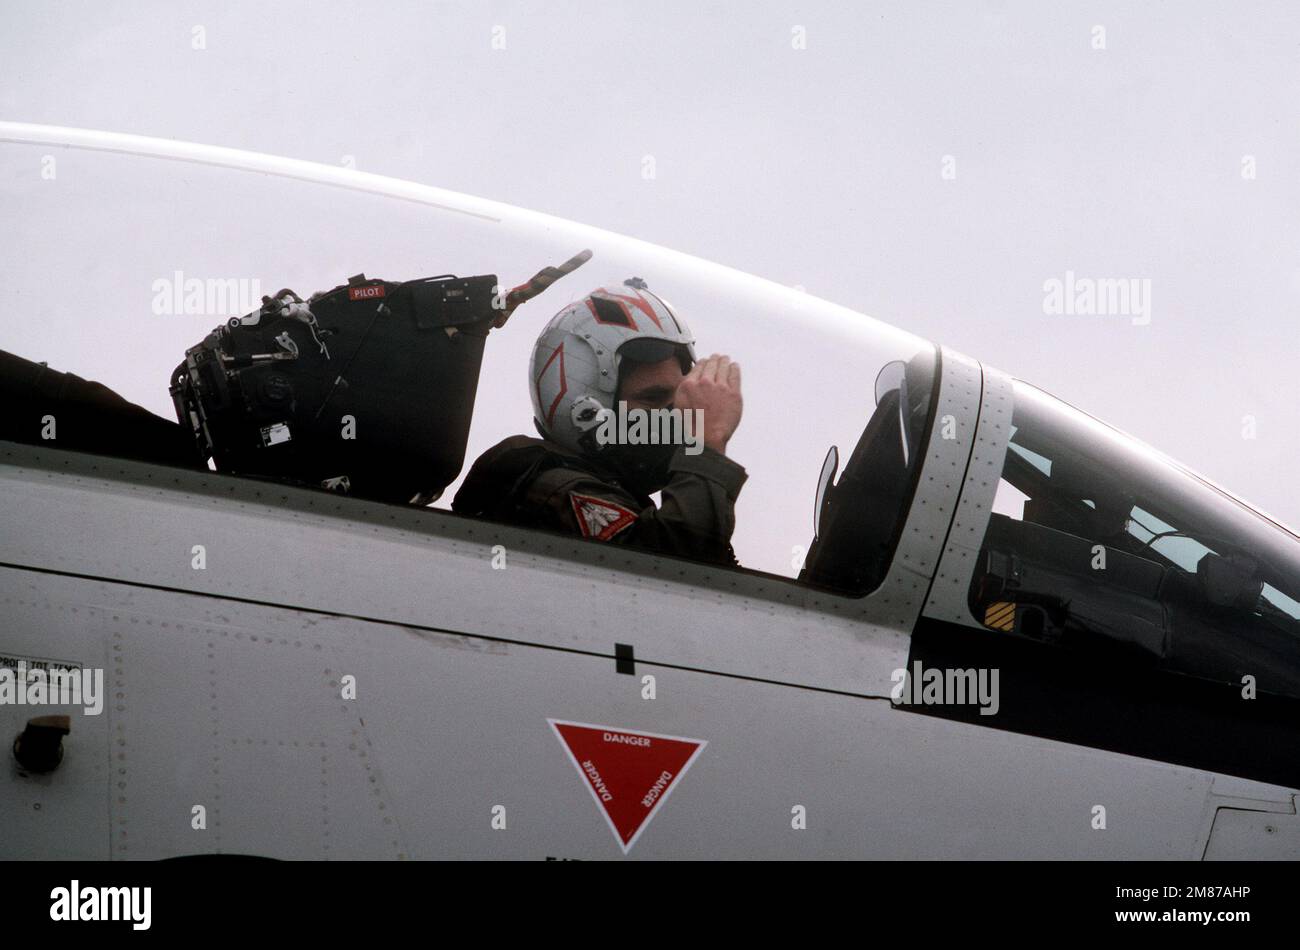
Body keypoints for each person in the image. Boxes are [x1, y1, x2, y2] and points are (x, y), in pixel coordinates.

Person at [452, 278, 746, 565]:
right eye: (652, 399)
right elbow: (676, 573)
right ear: (583, 410)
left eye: (677, 401)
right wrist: (708, 443)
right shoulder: (551, 489)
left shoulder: (614, 498)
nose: (675, 417)